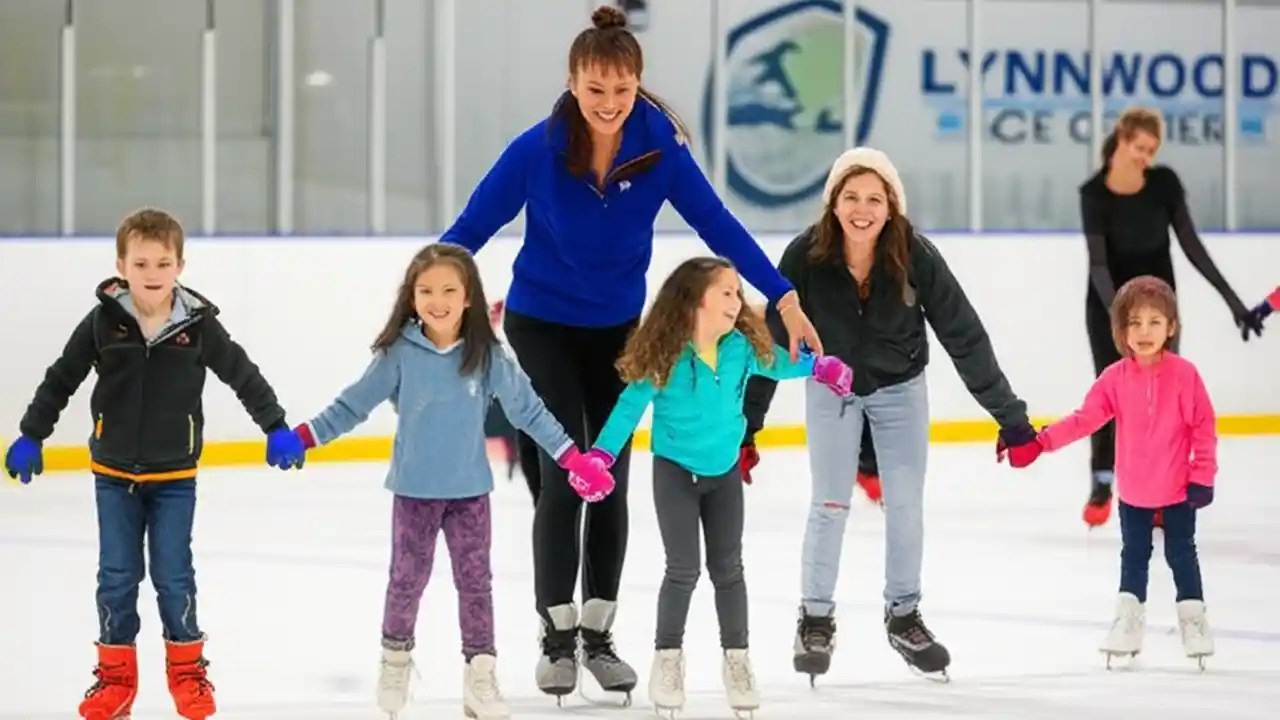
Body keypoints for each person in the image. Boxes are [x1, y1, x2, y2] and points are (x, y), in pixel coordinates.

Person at [435, 4, 823, 700]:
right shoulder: (537, 148)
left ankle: (598, 634)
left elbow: (720, 224)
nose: (608, 105)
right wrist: (429, 296)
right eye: (594, 90)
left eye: (620, 91)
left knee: (607, 470)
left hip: (620, 332)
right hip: (541, 321)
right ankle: (556, 637)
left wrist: (784, 296)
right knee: (567, 470)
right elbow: (471, 226)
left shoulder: (661, 151)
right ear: (573, 82)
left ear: (638, 84)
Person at [744, 147, 1041, 683]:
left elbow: (964, 336)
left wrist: (1011, 418)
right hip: (830, 388)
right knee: (830, 503)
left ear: (892, 206)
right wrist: (748, 428)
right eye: (851, 197)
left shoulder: (915, 256)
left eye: (874, 199)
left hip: (900, 388)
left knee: (904, 505)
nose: (863, 209)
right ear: (833, 203)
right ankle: (815, 617)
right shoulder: (804, 258)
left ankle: (904, 615)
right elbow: (772, 347)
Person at [288, 244, 615, 720]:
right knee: (405, 582)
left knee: (476, 585)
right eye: (425, 291)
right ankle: (396, 661)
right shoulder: (399, 353)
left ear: (468, 298)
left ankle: (480, 676)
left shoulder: (487, 356)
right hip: (414, 494)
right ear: (411, 296)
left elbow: (531, 412)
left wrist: (574, 459)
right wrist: (306, 436)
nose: (436, 300)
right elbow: (353, 404)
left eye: (448, 290)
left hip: (469, 496)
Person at [2, 208, 307, 720]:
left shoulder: (199, 326)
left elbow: (242, 374)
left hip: (174, 478)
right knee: (117, 576)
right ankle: (116, 678)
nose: (152, 273)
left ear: (180, 266)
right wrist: (32, 434)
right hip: (114, 475)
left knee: (174, 575)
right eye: (140, 262)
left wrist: (274, 425)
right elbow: (61, 378)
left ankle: (187, 671)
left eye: (163, 262)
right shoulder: (103, 322)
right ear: (121, 264)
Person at [574, 257, 852, 716]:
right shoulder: (664, 354)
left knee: (729, 569)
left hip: (723, 473)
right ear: (695, 299)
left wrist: (820, 370)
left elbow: (781, 366)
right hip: (676, 472)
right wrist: (601, 456)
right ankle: (668, 658)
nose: (736, 300)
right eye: (726, 291)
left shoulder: (741, 348)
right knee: (682, 569)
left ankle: (737, 660)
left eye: (738, 293)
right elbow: (628, 408)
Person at [1011, 276, 1217, 669]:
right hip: (1135, 492)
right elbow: (1084, 420)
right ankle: (1128, 621)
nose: (1144, 332)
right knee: (1134, 557)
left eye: (1154, 322)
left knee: (1182, 555)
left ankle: (1193, 620)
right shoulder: (1115, 379)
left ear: (1171, 327)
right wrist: (1041, 441)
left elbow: (1203, 427)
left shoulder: (1185, 376)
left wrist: (1202, 475)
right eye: (1134, 323)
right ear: (1120, 330)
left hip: (1178, 490)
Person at [1078, 107, 1259, 528]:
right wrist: (1119, 319)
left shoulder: (1163, 184)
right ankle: (1102, 484)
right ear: (1121, 139)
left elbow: (1192, 245)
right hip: (1109, 307)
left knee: (1162, 405)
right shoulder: (1093, 194)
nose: (1145, 156)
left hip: (1159, 313)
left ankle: (1160, 495)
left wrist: (1232, 301)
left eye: (1152, 150)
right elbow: (1099, 265)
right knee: (1110, 395)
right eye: (1140, 147)